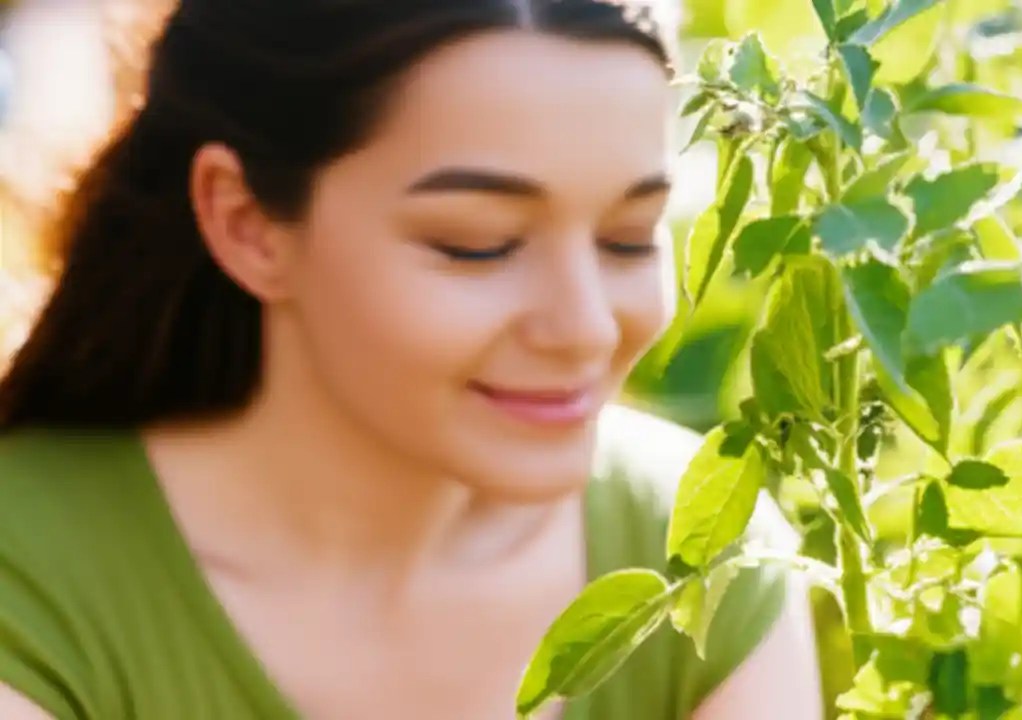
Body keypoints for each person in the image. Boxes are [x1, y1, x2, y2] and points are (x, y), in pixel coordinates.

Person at [0, 1, 822, 718]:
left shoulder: (697, 538)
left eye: (628, 239)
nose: (586, 328)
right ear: (247, 221)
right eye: (478, 245)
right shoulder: (31, 575)